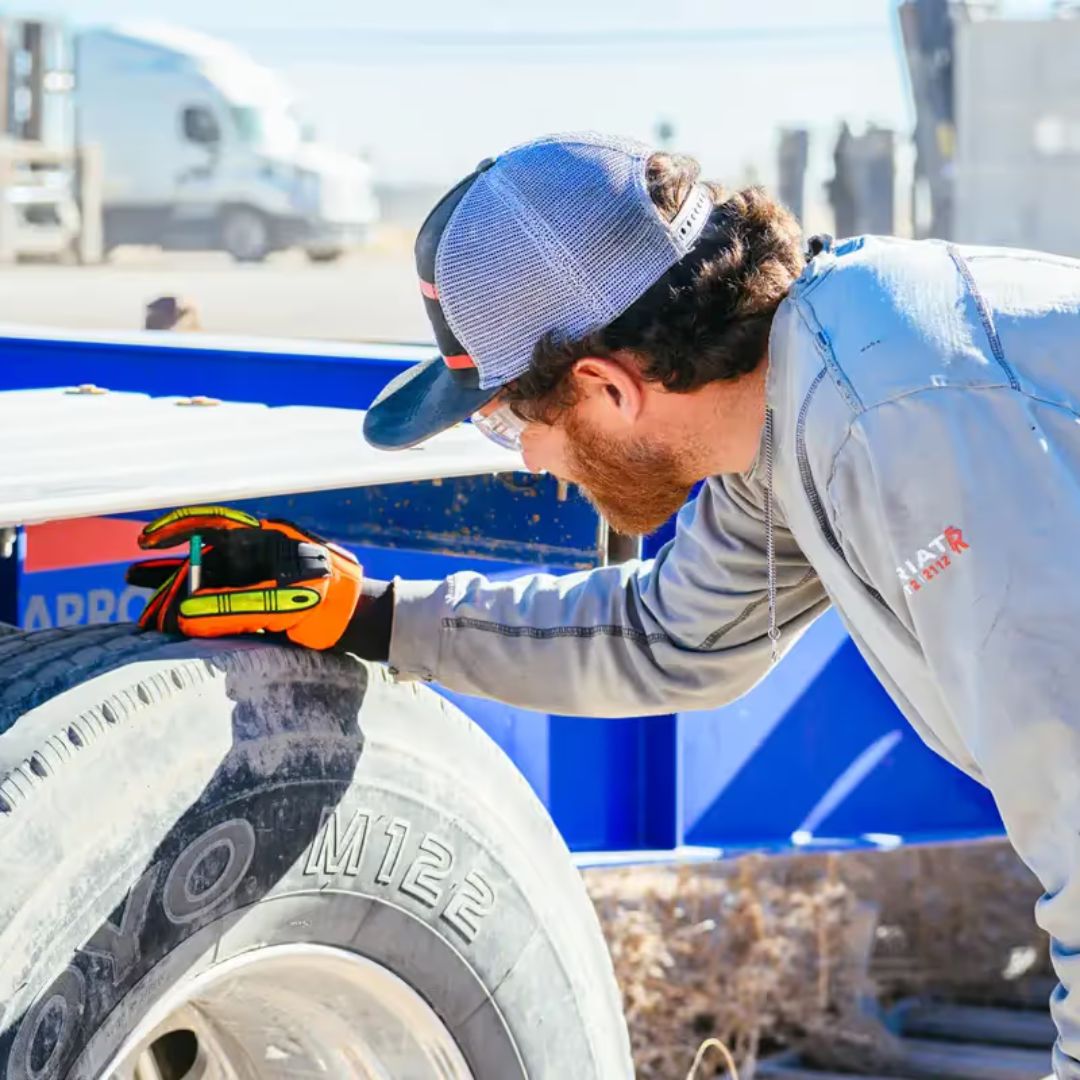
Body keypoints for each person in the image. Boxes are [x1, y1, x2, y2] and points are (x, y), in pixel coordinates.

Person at [129, 132, 1080, 1077]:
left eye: (514, 423)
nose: (533, 462)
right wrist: (370, 616)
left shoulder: (897, 424)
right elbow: (667, 639)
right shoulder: (805, 396)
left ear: (606, 386)